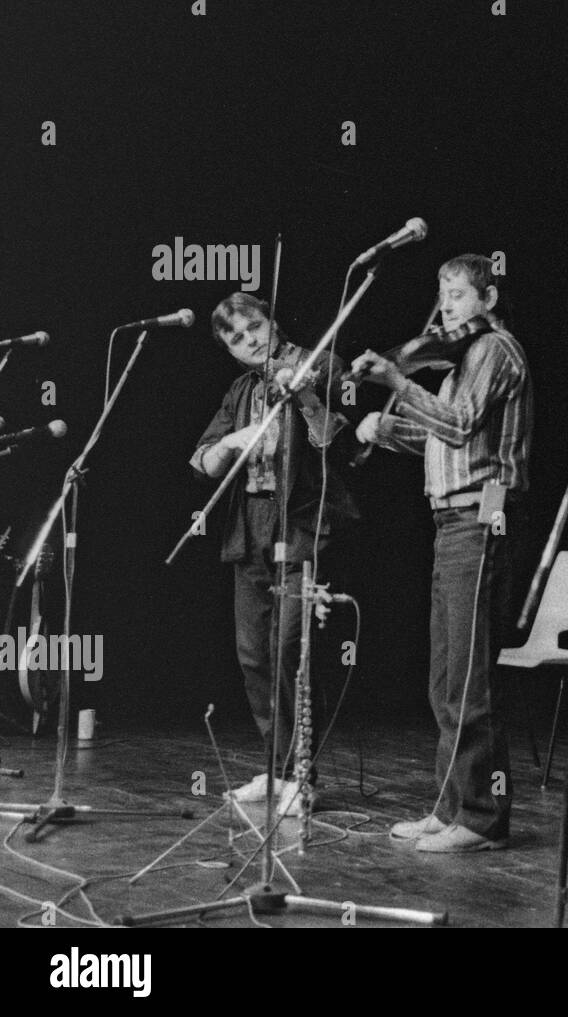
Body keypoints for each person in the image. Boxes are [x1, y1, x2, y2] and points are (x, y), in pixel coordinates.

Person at [352, 253, 531, 854]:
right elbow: (440, 440)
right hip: (450, 522)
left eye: (458, 294)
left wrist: (399, 383)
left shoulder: (494, 351)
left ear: (489, 298)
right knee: (444, 679)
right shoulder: (458, 362)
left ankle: (481, 819)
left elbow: (457, 427)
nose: (446, 306)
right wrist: (385, 428)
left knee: (470, 679)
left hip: (482, 519)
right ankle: (451, 806)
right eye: (443, 293)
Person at [191, 292, 359, 818]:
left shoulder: (320, 364)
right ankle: (276, 767)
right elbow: (203, 462)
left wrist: (305, 395)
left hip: (303, 520)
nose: (250, 341)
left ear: (273, 321)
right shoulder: (240, 389)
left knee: (291, 649)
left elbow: (338, 441)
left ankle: (303, 774)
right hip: (250, 525)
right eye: (236, 339)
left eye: (255, 327)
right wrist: (231, 442)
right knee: (254, 656)